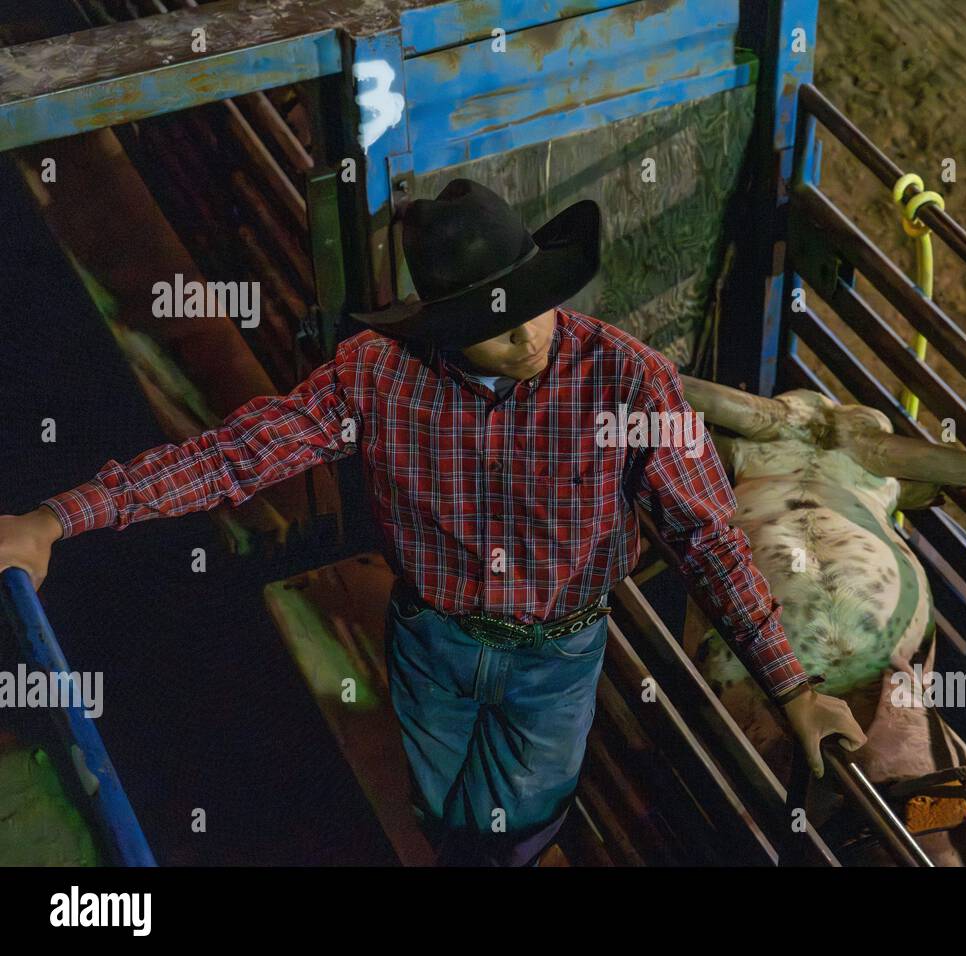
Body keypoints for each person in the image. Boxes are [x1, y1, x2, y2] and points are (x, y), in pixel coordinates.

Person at [0, 178, 867, 865]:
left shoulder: (630, 382)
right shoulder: (375, 377)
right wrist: (56, 518)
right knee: (445, 810)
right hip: (432, 641)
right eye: (495, 323)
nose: (528, 336)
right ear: (445, 327)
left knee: (522, 822)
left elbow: (708, 533)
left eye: (535, 299)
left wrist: (793, 689)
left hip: (556, 655)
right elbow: (235, 455)